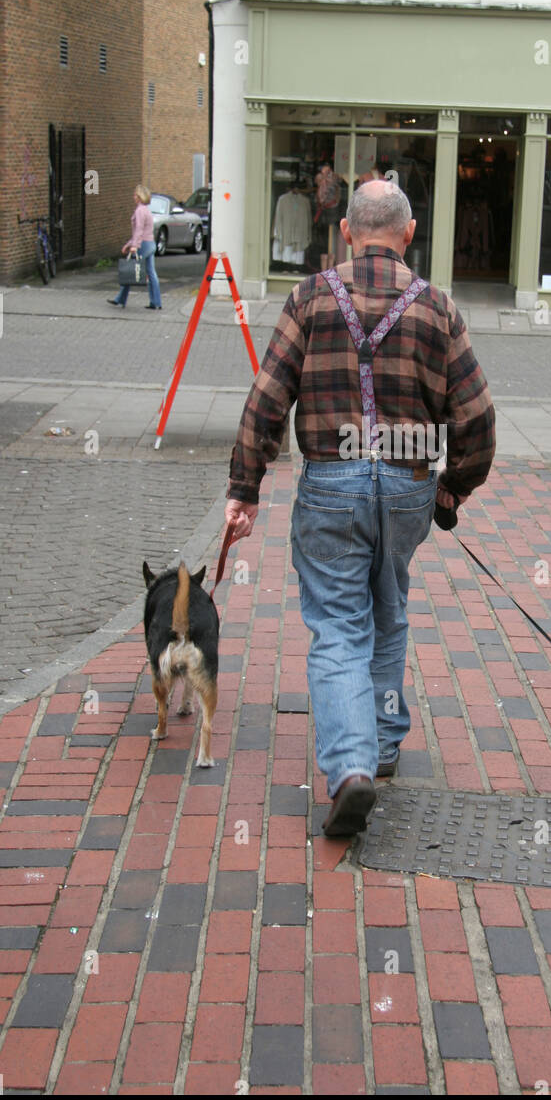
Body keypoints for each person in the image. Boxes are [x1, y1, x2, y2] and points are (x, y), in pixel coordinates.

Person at [224, 180, 495, 836]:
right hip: (405, 486)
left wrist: (245, 488)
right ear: (407, 234)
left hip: (331, 485)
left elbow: (267, 398)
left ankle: (350, 768)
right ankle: (382, 741)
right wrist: (452, 489)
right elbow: (478, 420)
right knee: (389, 607)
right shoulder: (437, 308)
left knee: (338, 626)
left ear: (346, 231)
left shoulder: (311, 296)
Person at [108, 185, 160, 309]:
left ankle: (120, 299)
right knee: (151, 273)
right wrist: (128, 244)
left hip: (144, 244)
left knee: (130, 270)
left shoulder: (140, 211)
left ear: (140, 197)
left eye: (135, 195)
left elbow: (139, 230)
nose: (134, 197)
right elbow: (141, 231)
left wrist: (134, 246)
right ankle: (156, 302)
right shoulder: (146, 210)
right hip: (150, 243)